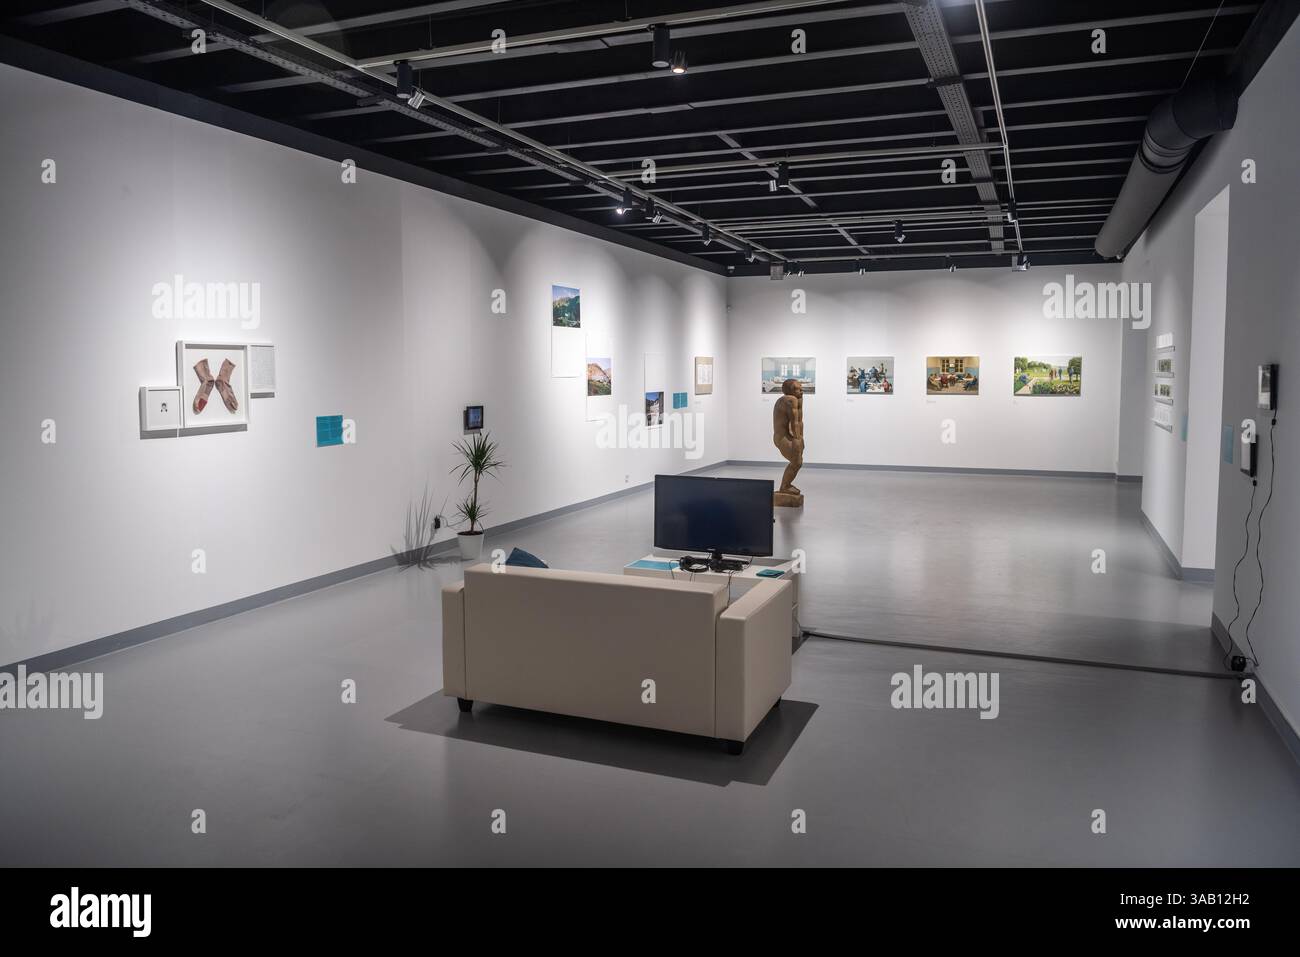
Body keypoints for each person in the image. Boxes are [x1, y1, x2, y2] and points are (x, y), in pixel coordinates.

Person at [772, 378, 804, 499]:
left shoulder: (796, 399)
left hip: (787, 436)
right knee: (797, 462)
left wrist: (800, 439)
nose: (801, 391)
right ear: (790, 390)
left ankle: (786, 486)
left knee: (797, 462)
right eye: (797, 389)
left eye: (801, 388)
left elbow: (800, 421)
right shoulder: (789, 400)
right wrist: (797, 440)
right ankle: (785, 487)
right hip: (782, 438)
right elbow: (794, 424)